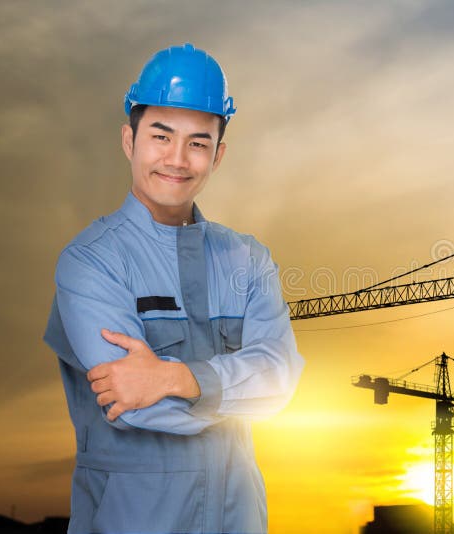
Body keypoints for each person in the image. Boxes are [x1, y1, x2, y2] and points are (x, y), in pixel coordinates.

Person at [43, 43, 304, 534]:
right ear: (129, 140)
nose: (177, 159)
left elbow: (281, 381)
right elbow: (138, 409)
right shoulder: (91, 262)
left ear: (218, 155)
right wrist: (240, 388)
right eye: (161, 136)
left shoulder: (248, 259)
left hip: (238, 520)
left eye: (198, 143)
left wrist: (175, 379)